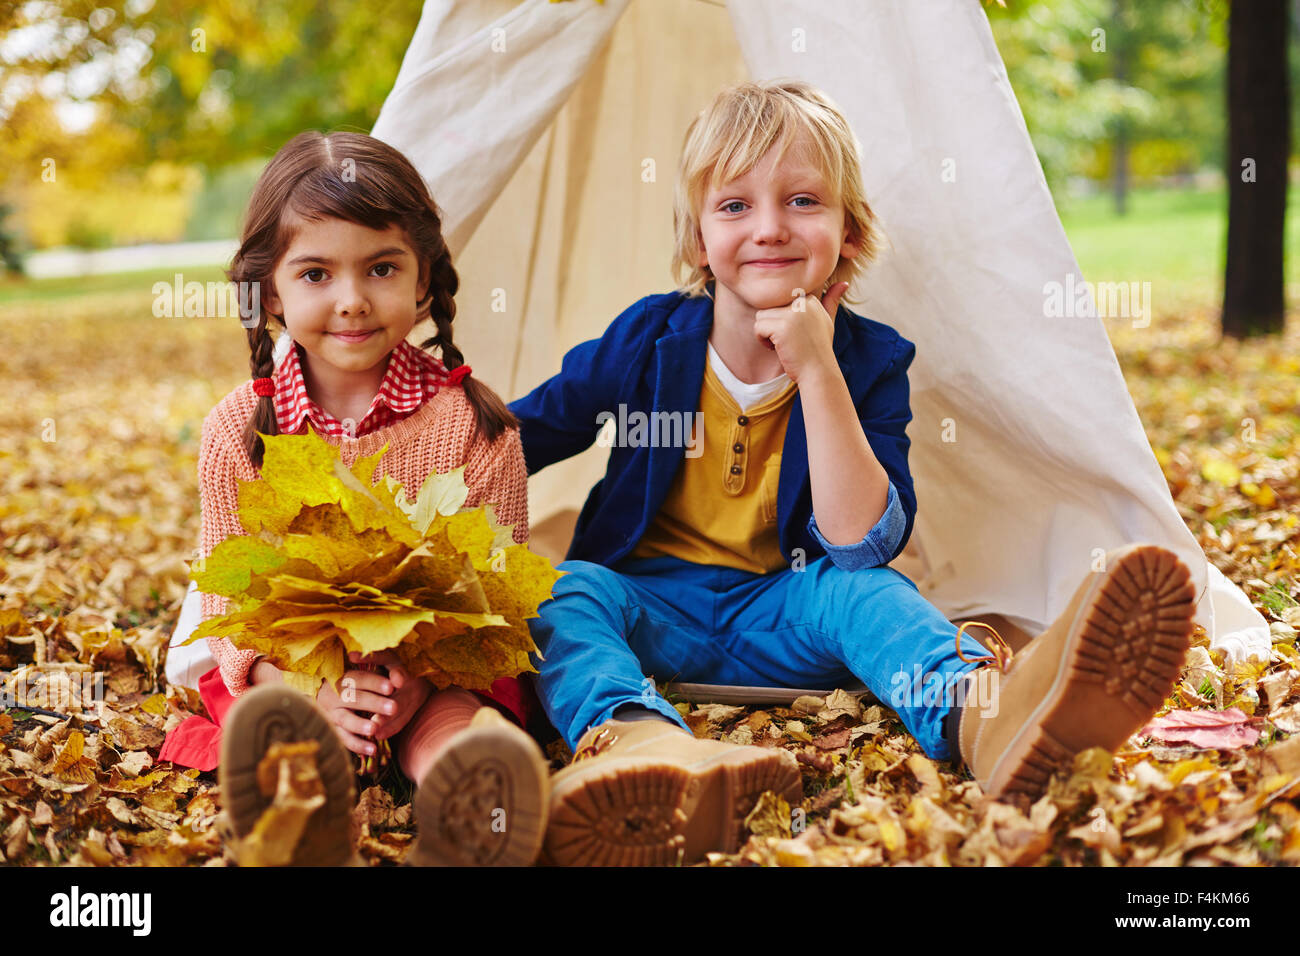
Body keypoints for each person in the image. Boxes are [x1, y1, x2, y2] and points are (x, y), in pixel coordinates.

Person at [507, 80, 1196, 866]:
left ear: (850, 232)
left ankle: (985, 719)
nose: (769, 228)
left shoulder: (870, 361)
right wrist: (422, 451)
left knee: (873, 594)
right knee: (567, 591)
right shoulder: (648, 340)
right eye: (734, 207)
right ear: (698, 241)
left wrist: (816, 368)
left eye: (802, 201)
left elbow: (861, 543)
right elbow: (527, 432)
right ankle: (641, 746)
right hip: (650, 602)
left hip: (789, 609)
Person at [158, 131, 550, 866]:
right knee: (257, 706)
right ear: (269, 290)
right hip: (284, 665)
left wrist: (414, 684)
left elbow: (496, 596)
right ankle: (300, 801)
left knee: (456, 717)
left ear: (423, 277)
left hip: (432, 667)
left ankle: (471, 803)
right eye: (315, 274)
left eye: (380, 268)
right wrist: (307, 688)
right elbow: (228, 599)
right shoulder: (235, 431)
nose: (352, 301)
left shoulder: (477, 427)